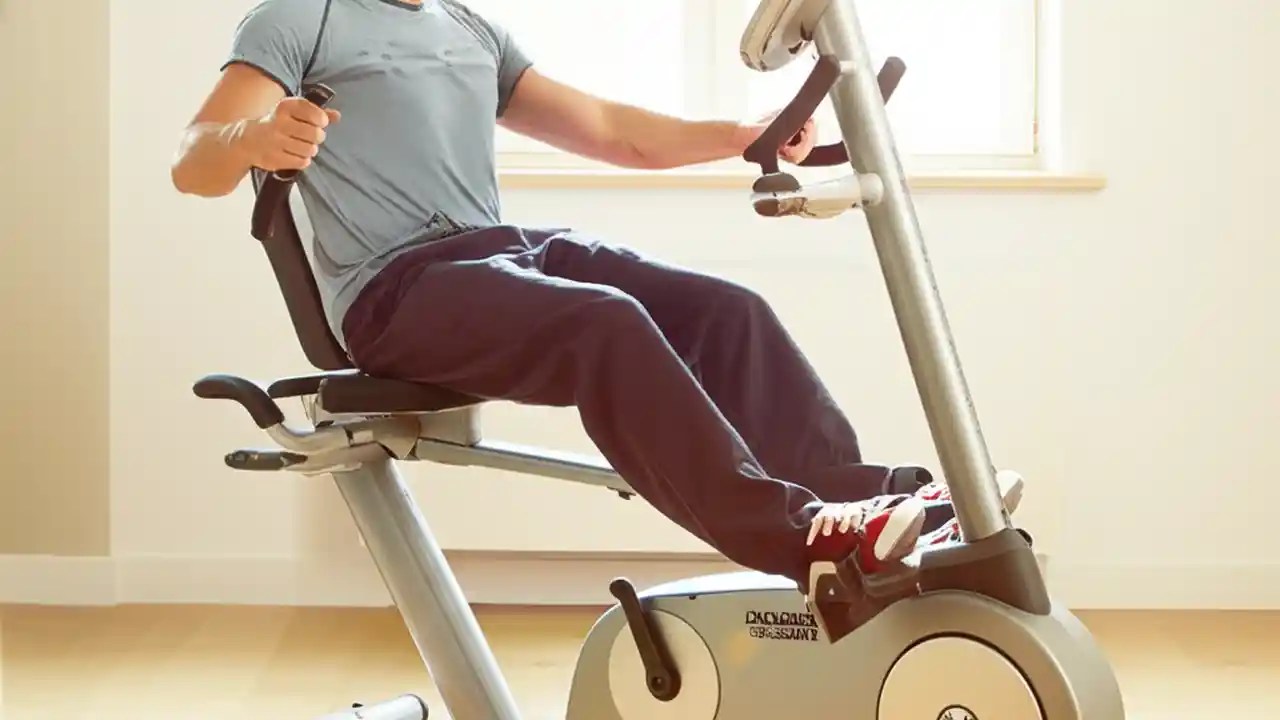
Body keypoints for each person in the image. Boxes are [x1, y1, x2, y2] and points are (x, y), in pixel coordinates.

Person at [171, 0, 1023, 594]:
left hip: (499, 252)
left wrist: (744, 138)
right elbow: (194, 160)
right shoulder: (296, 15)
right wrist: (255, 137)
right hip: (395, 290)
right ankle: (797, 534)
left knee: (726, 311)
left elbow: (615, 133)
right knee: (604, 325)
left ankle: (859, 503)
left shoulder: (468, 26)